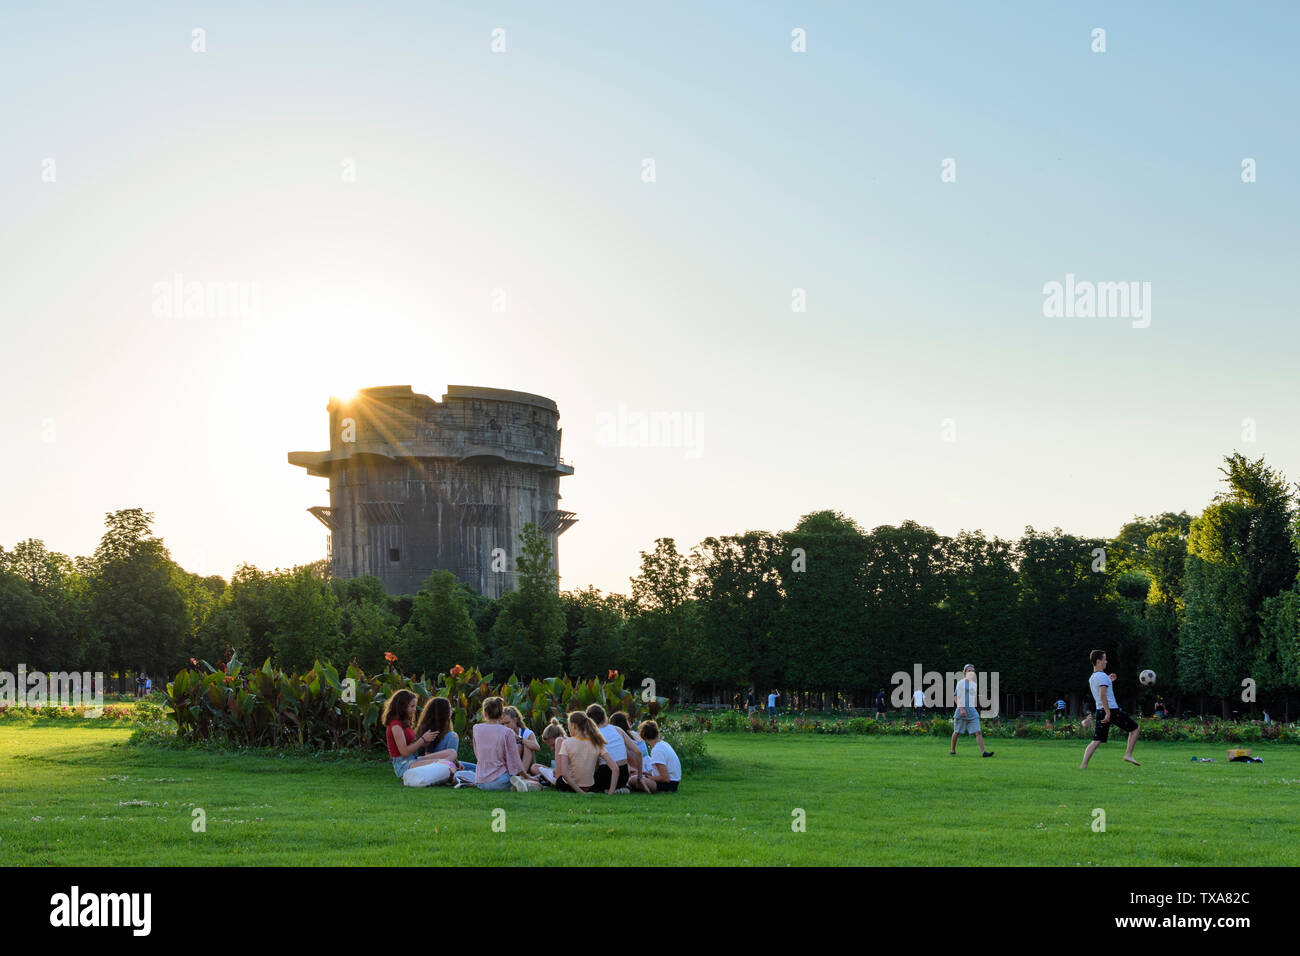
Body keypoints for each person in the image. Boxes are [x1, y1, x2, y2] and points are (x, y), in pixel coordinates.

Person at [1081, 650, 1140, 769]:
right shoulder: (1102, 676)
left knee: (1096, 740)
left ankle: (1083, 765)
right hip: (1111, 710)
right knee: (1135, 729)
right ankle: (1128, 754)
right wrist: (1108, 712)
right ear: (1098, 661)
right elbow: (1103, 695)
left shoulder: (1093, 677)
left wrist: (1108, 680)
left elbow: (1101, 690)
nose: (1106, 661)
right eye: (1104, 659)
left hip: (1100, 711)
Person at [405, 695, 471, 787]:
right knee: (453, 736)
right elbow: (427, 755)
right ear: (443, 712)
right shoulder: (432, 729)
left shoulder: (439, 727)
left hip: (443, 759)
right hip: (429, 762)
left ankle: (455, 767)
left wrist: (456, 762)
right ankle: (451, 770)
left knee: (474, 768)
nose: (451, 710)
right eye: (450, 708)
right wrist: (453, 761)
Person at [471, 696, 534, 791]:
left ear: (484, 713)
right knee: (523, 781)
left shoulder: (476, 729)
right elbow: (515, 761)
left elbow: (477, 754)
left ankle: (518, 783)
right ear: (501, 714)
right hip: (501, 781)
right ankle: (524, 783)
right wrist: (527, 776)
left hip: (481, 782)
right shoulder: (507, 732)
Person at [381, 689, 444, 779]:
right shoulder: (396, 726)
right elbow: (404, 752)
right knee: (443, 762)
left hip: (413, 759)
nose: (414, 710)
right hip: (403, 765)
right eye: (412, 706)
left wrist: (425, 742)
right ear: (402, 707)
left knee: (452, 753)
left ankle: (460, 770)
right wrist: (422, 739)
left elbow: (411, 746)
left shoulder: (404, 722)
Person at [555, 712, 617, 795]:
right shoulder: (596, 743)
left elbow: (564, 773)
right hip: (589, 787)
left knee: (558, 777)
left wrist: (580, 793)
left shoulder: (566, 743)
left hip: (569, 787)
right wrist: (611, 792)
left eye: (568, 725)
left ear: (574, 726)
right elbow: (615, 768)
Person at [587, 704, 640, 793]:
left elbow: (595, 762)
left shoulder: (593, 735)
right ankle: (619, 789)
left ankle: (607, 789)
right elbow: (638, 752)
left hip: (606, 776)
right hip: (623, 776)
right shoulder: (617, 729)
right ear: (604, 716)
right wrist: (640, 776)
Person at [950, 664, 994, 757]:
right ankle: (953, 750)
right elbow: (956, 697)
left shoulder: (974, 684)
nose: (971, 672)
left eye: (972, 671)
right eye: (969, 670)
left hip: (972, 711)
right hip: (961, 710)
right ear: (964, 672)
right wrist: (961, 709)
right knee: (957, 732)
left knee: (978, 731)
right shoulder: (961, 683)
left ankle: (984, 752)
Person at [633, 720, 681, 793]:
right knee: (637, 776)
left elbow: (665, 778)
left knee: (632, 779)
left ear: (644, 737)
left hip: (668, 785)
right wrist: (645, 774)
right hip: (674, 782)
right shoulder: (664, 744)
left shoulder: (657, 750)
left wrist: (646, 777)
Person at [501, 705, 540, 777]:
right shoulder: (501, 733)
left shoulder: (526, 732)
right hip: (510, 766)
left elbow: (537, 747)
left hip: (527, 765)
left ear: (515, 720)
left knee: (527, 746)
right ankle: (516, 775)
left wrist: (519, 738)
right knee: (518, 746)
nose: (505, 726)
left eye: (507, 723)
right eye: (502, 724)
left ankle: (521, 776)